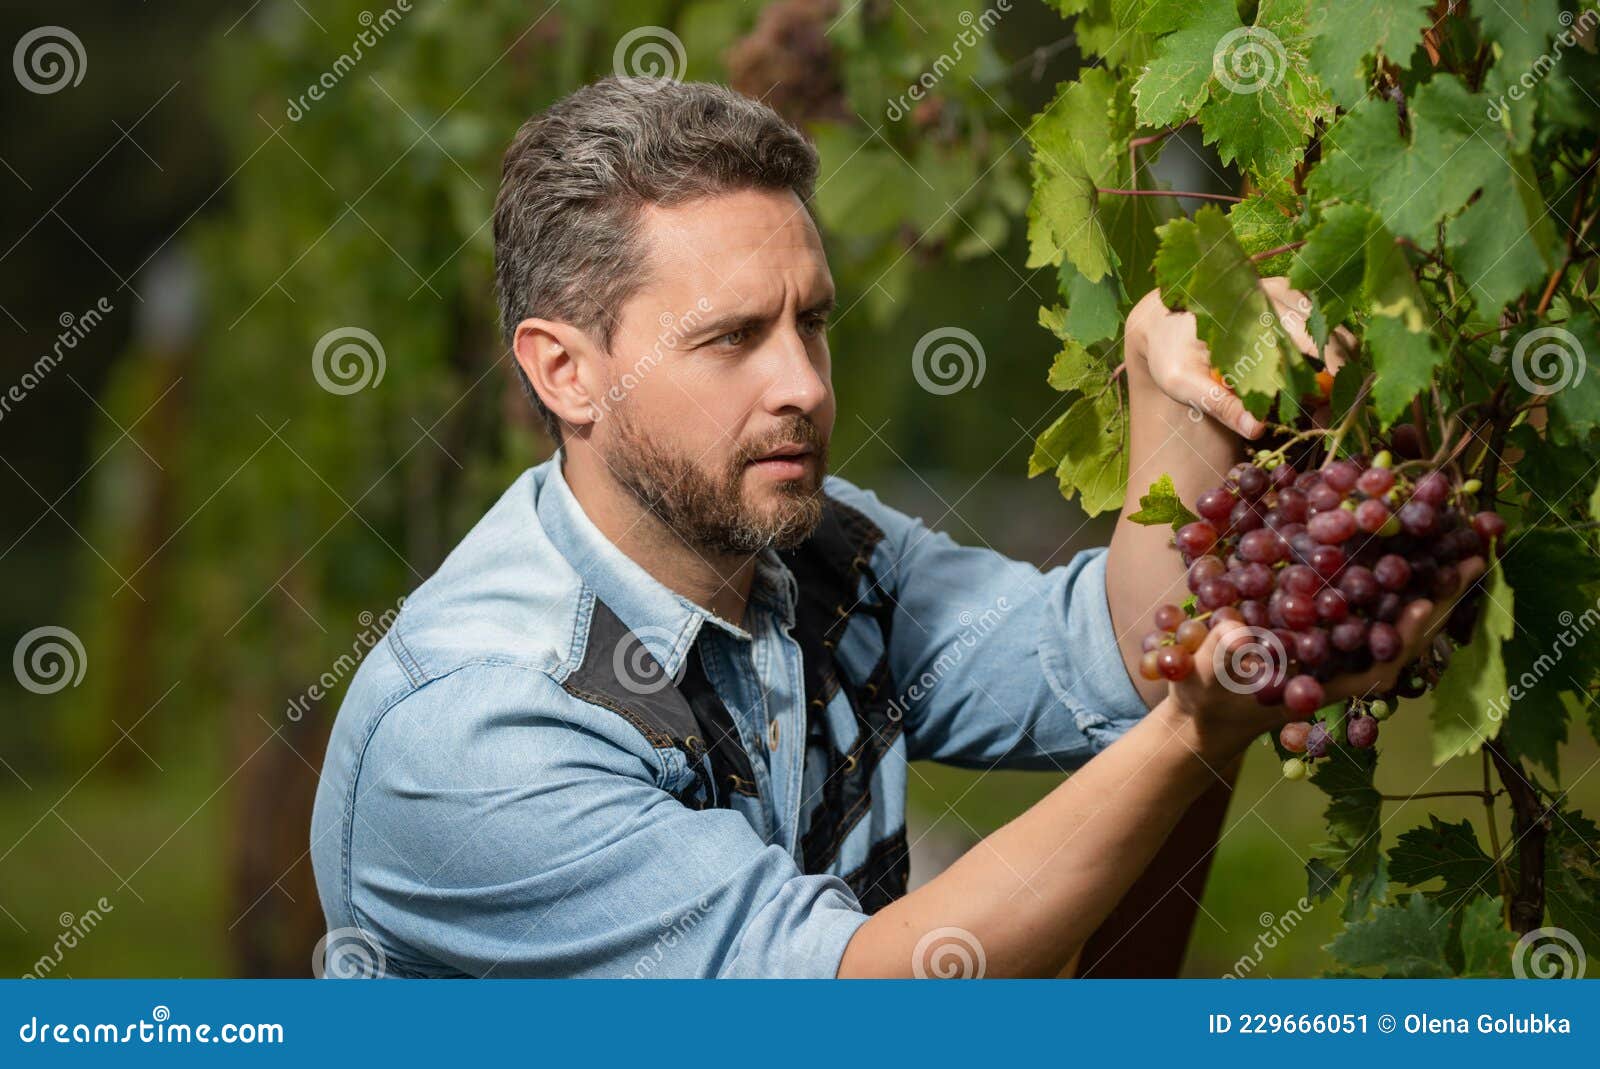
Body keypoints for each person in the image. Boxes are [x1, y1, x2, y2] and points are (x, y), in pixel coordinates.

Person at [308, 77, 1481, 978]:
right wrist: (1186, 738)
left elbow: (1121, 654)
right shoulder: (477, 728)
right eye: (730, 339)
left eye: (809, 323)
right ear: (565, 371)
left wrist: (1164, 383)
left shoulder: (818, 554)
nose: (805, 386)